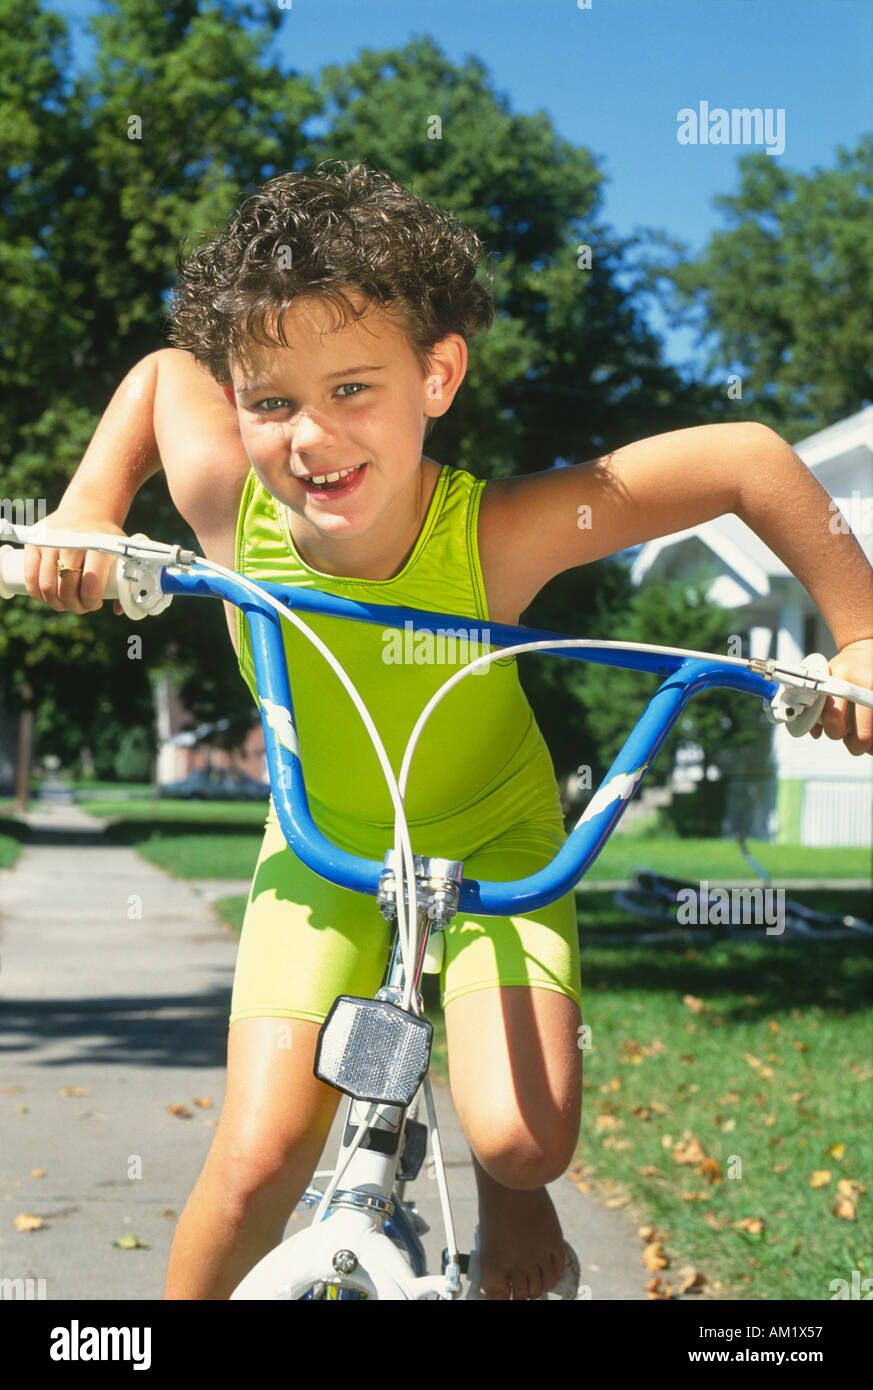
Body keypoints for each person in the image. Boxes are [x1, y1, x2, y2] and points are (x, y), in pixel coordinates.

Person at [24, 161, 873, 1300]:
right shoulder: (231, 505)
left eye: (354, 389)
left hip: (498, 840)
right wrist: (87, 507)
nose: (310, 437)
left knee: (525, 1137)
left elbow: (748, 464)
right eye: (271, 400)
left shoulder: (501, 539)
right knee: (256, 1159)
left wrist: (860, 639)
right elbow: (162, 375)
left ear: (438, 374)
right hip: (322, 836)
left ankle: (511, 1196)